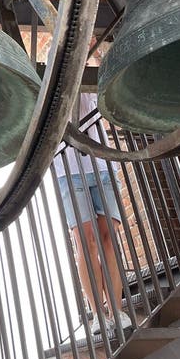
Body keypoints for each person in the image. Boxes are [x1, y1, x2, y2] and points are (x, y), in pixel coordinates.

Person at [54, 93, 133, 335]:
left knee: (109, 238)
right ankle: (98, 314)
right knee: (85, 242)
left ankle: (116, 311)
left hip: (103, 165)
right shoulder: (50, 86)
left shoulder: (91, 82)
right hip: (68, 170)